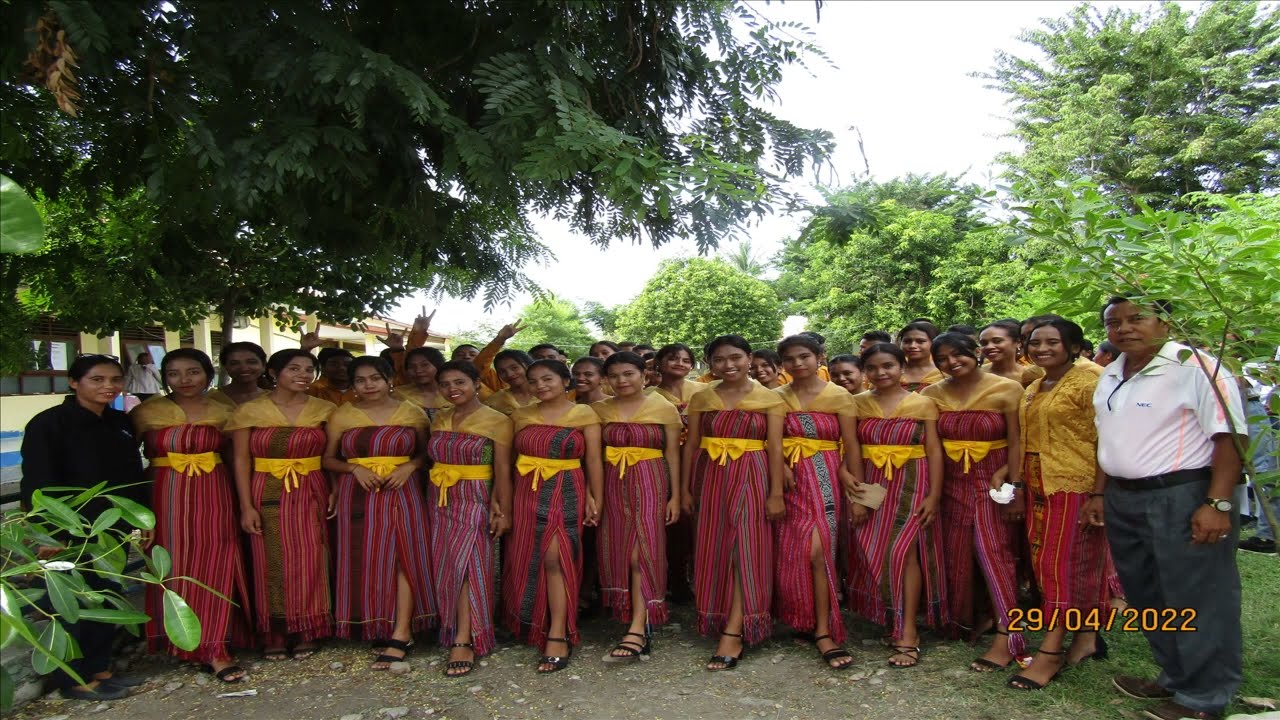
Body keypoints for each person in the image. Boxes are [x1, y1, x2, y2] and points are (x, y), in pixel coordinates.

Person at [1087, 297, 1246, 720]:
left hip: (1183, 494)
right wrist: (1101, 494)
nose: (1123, 328)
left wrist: (1217, 502)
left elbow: (1229, 438)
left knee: (1198, 596)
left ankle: (1205, 697)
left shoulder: (1196, 367)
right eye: (1113, 322)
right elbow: (1109, 439)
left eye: (1136, 318)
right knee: (1147, 594)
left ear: (1165, 322)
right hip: (1124, 497)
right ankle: (1175, 675)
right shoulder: (1112, 372)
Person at [20, 355, 147, 700]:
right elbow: (37, 482)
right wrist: (49, 533)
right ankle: (73, 680)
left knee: (105, 594)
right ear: (75, 382)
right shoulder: (50, 424)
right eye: (97, 379)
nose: (108, 386)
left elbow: (131, 475)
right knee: (71, 604)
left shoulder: (119, 422)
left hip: (110, 527)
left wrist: (141, 518)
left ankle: (100, 668)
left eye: (115, 379)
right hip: (69, 530)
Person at [131, 349, 252, 683]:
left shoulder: (226, 410)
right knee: (173, 565)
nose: (184, 380)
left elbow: (237, 459)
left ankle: (216, 645)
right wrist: (139, 517)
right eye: (174, 373)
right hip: (165, 497)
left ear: (208, 375)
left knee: (217, 564)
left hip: (215, 494)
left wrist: (245, 504)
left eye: (193, 372)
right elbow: (129, 465)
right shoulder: (146, 412)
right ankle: (179, 640)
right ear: (163, 377)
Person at [1006, 318, 1108, 691]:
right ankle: (1086, 638)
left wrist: (1099, 493)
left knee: (1061, 566)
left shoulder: (1091, 382)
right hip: (1036, 484)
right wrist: (1018, 484)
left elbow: (1105, 441)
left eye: (1053, 342)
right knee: (1048, 563)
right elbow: (1024, 438)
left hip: (1074, 485)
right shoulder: (1033, 386)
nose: (1042, 348)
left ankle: (1050, 652)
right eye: (1035, 342)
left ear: (1074, 346)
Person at [919, 334, 1027, 671]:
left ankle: (1008, 635)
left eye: (959, 355)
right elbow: (931, 447)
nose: (952, 363)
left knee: (995, 554)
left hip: (991, 483)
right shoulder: (931, 394)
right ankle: (968, 618)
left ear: (976, 354)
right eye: (943, 358)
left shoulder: (1007, 389)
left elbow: (1018, 440)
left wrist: (1014, 482)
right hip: (950, 483)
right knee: (956, 555)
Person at [323, 357, 435, 670]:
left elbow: (428, 454)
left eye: (375, 378)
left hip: (403, 490)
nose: (368, 385)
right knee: (369, 558)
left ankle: (402, 632)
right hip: (358, 495)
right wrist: (353, 467)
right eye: (361, 380)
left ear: (389, 380)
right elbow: (328, 459)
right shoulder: (342, 414)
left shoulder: (411, 412)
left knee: (404, 556)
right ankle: (378, 623)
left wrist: (410, 466)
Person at [682, 335, 785, 671]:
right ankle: (718, 614)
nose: (728, 365)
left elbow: (773, 448)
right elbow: (692, 444)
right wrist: (684, 489)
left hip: (752, 475)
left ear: (749, 358)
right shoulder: (702, 397)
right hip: (709, 475)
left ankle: (735, 629)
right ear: (710, 363)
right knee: (715, 548)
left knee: (746, 549)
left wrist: (775, 494)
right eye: (719, 360)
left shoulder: (769, 398)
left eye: (736, 357)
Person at [227, 349, 337, 661]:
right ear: (274, 373)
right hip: (266, 489)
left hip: (312, 487)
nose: (303, 374)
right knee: (269, 560)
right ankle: (274, 632)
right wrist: (246, 506)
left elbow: (332, 456)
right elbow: (240, 460)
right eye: (293, 368)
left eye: (308, 369)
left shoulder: (325, 409)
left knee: (311, 557)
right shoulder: (251, 410)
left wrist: (335, 489)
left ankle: (308, 628)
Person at [845, 343, 947, 668]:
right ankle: (891, 617)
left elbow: (933, 451)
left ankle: (908, 631)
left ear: (901, 367)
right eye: (872, 368)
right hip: (873, 484)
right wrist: (854, 489)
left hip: (914, 484)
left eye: (888, 365)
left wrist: (934, 496)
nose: (880, 373)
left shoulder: (923, 402)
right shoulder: (856, 403)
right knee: (876, 551)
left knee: (904, 552)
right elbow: (847, 448)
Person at [502, 360, 603, 673]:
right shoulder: (520, 416)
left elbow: (594, 461)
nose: (540, 386)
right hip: (526, 493)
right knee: (529, 558)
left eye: (548, 379)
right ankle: (534, 621)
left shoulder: (584, 413)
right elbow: (505, 464)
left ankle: (559, 632)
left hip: (567, 490)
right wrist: (502, 504)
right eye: (533, 381)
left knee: (556, 559)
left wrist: (594, 498)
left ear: (564, 380)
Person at [773, 335, 861, 669]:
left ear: (819, 357)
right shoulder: (775, 397)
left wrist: (854, 482)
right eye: (790, 359)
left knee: (819, 551)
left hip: (825, 478)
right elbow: (770, 439)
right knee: (792, 552)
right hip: (789, 480)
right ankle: (802, 619)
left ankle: (825, 629)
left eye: (804, 356)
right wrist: (779, 465)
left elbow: (851, 444)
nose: (797, 364)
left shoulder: (838, 395)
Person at [593, 352, 682, 661]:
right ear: (606, 380)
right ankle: (630, 611)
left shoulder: (663, 407)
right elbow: (592, 456)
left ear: (644, 375)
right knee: (618, 548)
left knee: (642, 550)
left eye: (628, 374)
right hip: (612, 483)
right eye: (614, 376)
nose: (622, 381)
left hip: (651, 481)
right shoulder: (598, 410)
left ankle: (639, 624)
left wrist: (676, 496)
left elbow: (673, 454)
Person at [427, 361, 514, 677]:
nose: (453, 389)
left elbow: (502, 471)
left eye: (460, 382)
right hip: (439, 499)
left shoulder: (497, 420)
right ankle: (452, 627)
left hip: (477, 499)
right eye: (446, 384)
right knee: (447, 564)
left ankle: (466, 636)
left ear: (478, 383)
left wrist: (501, 508)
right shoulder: (441, 417)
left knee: (469, 566)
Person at [650, 343, 708, 604]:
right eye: (673, 359)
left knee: (699, 517)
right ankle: (675, 579)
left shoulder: (704, 392)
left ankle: (701, 577)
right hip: (665, 462)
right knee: (674, 521)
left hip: (700, 460)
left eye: (686, 360)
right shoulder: (649, 396)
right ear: (659, 363)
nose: (681, 364)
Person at [393, 346, 453, 419]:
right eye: (412, 366)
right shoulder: (399, 395)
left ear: (439, 366)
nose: (418, 370)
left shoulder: (453, 392)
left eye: (425, 365)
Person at [980, 320, 1039, 386]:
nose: (989, 347)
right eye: (984, 343)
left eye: (997, 341)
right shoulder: (977, 373)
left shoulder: (1032, 376)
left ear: (1018, 343)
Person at [484, 350, 537, 415]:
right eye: (502, 371)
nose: (509, 374)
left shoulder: (546, 393)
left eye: (514, 368)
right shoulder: (495, 401)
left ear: (528, 366)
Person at [897, 322, 944, 392]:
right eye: (907, 341)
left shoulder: (944, 371)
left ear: (933, 343)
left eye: (920, 341)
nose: (912, 346)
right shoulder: (891, 370)